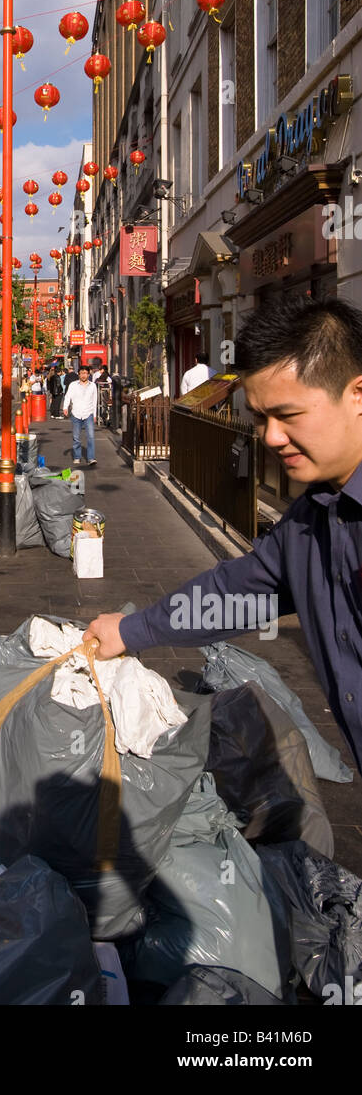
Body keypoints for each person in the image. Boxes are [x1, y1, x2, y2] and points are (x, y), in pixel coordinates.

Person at [86, 295, 362, 774]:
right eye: (259, 417)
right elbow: (236, 591)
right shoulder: (307, 522)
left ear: (357, 395)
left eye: (288, 415)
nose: (271, 437)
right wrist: (130, 630)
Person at [63, 364, 97, 466]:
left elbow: (95, 401)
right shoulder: (73, 385)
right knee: (76, 437)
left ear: (88, 374)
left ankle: (91, 458)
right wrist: (65, 407)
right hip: (76, 413)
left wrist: (95, 414)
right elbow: (68, 396)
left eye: (85, 373)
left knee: (90, 437)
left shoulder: (93, 386)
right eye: (82, 373)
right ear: (79, 374)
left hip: (89, 413)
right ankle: (77, 457)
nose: (83, 375)